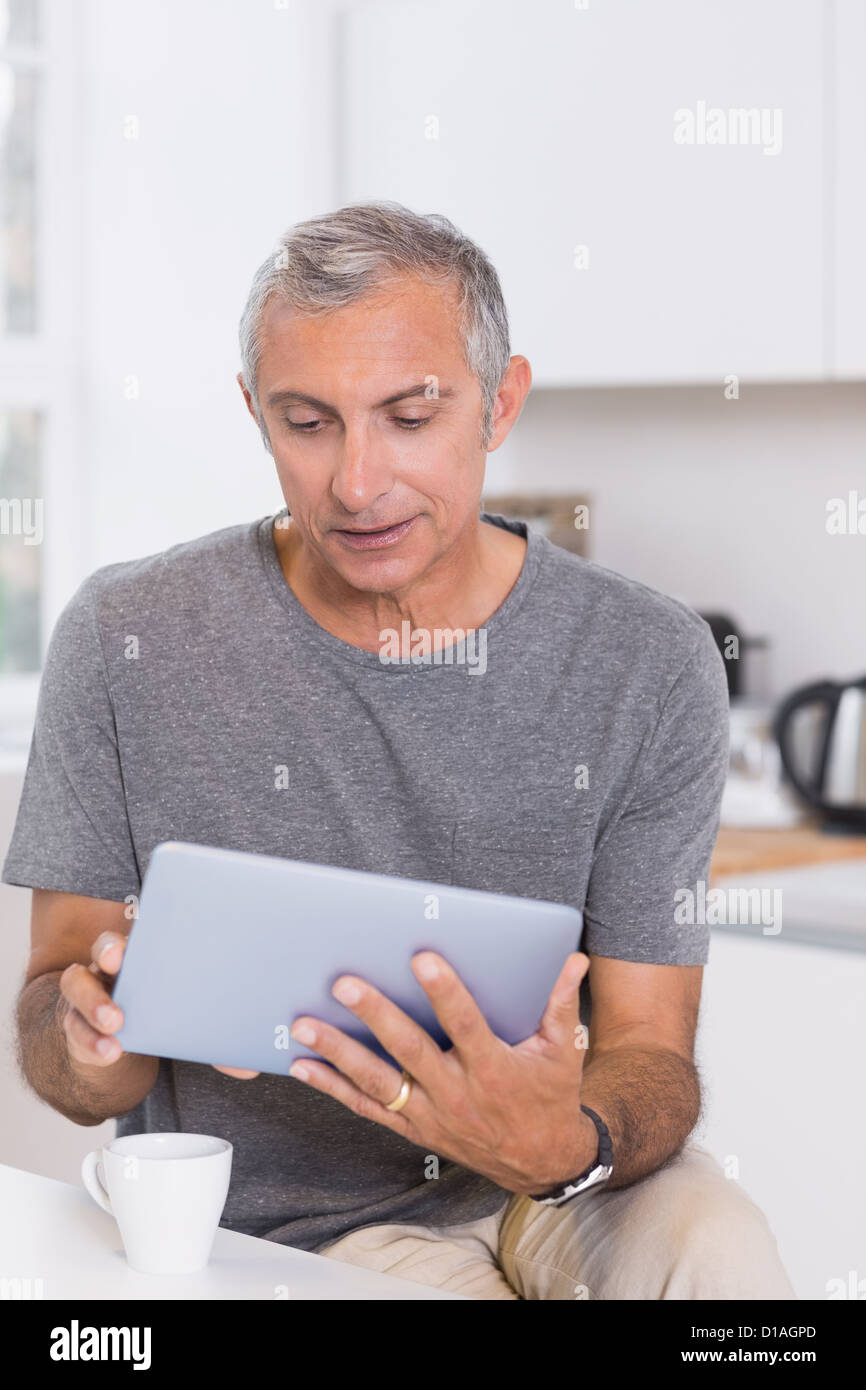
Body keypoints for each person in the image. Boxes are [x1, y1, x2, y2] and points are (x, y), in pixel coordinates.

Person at [3, 201, 795, 1300]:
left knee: (720, 1248)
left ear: (498, 401)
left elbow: (649, 1053)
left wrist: (570, 1141)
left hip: (570, 1185)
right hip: (298, 1230)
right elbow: (60, 1036)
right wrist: (90, 1036)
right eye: (307, 422)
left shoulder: (646, 659)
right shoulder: (128, 634)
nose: (358, 481)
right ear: (254, 413)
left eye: (409, 416)